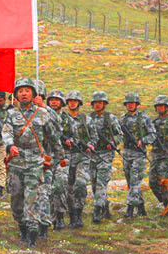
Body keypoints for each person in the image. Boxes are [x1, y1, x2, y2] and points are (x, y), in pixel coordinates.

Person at [2, 77, 60, 248]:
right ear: (16, 95)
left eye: (27, 90)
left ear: (33, 93)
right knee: (16, 199)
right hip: (16, 162)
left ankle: (32, 232)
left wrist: (60, 156)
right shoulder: (11, 114)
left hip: (36, 162)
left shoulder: (43, 113)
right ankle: (21, 224)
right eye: (20, 91)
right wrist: (10, 146)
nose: (24, 93)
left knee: (32, 198)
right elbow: (6, 132)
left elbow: (54, 135)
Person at [118, 92, 156, 218]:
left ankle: (130, 209)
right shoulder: (122, 119)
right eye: (128, 103)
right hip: (126, 153)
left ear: (137, 105)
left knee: (135, 181)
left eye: (132, 103)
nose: (130, 105)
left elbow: (153, 134)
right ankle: (141, 207)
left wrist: (143, 141)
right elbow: (117, 134)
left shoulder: (144, 118)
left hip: (139, 154)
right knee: (131, 182)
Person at [88, 90, 122, 223]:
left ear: (104, 104)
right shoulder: (89, 118)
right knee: (95, 183)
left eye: (100, 103)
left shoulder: (110, 118)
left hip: (106, 154)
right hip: (92, 154)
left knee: (101, 182)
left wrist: (114, 142)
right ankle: (105, 207)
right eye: (95, 103)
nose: (97, 105)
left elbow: (119, 134)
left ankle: (97, 211)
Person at [63, 90, 93, 229]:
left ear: (79, 103)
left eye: (75, 101)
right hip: (67, 155)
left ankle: (79, 213)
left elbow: (94, 136)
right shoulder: (62, 118)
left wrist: (91, 144)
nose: (72, 103)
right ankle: (72, 215)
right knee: (68, 187)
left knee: (80, 184)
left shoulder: (86, 119)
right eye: (70, 101)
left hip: (83, 156)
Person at [46, 90, 71, 231]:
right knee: (48, 187)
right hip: (48, 156)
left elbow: (70, 134)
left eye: (57, 100)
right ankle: (50, 217)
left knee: (60, 186)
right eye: (52, 100)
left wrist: (70, 141)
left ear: (62, 102)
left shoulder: (67, 119)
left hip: (62, 157)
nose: (54, 102)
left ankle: (60, 215)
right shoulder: (43, 115)